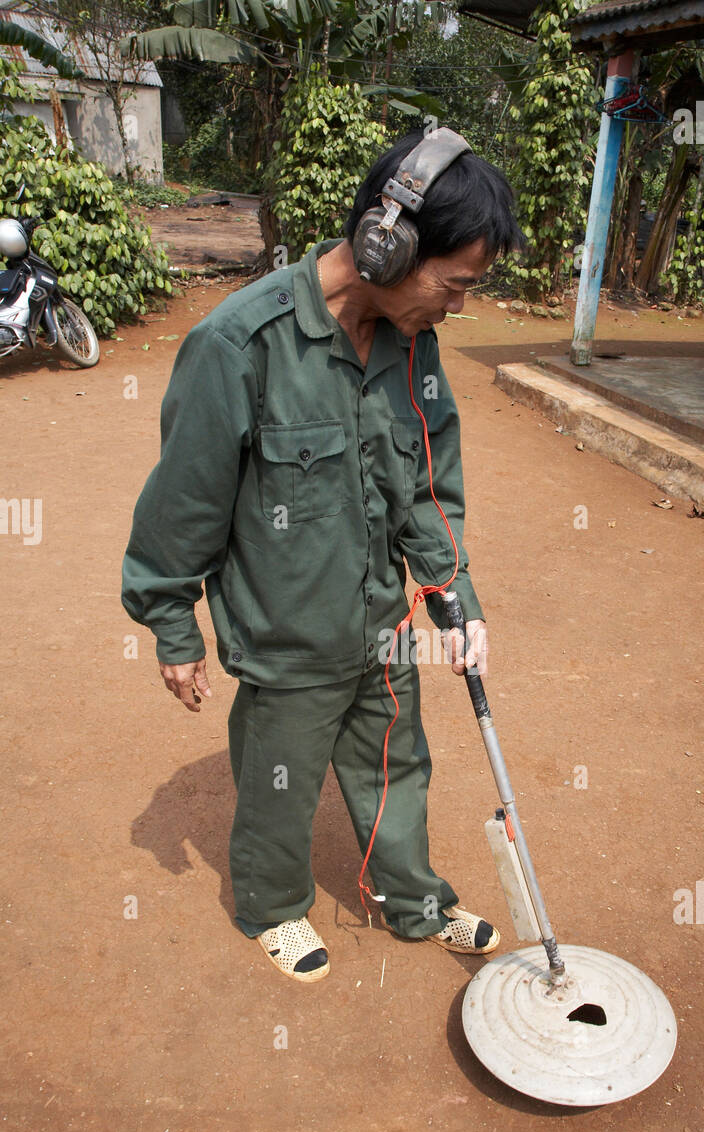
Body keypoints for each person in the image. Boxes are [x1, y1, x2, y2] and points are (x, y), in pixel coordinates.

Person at [121, 126, 527, 983]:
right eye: (454, 286)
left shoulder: (412, 340)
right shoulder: (239, 345)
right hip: (286, 637)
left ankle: (413, 901)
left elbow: (425, 479)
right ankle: (273, 908)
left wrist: (456, 596)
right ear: (391, 246)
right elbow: (182, 504)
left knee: (398, 765)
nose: (456, 307)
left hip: (381, 622)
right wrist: (172, 628)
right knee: (280, 784)